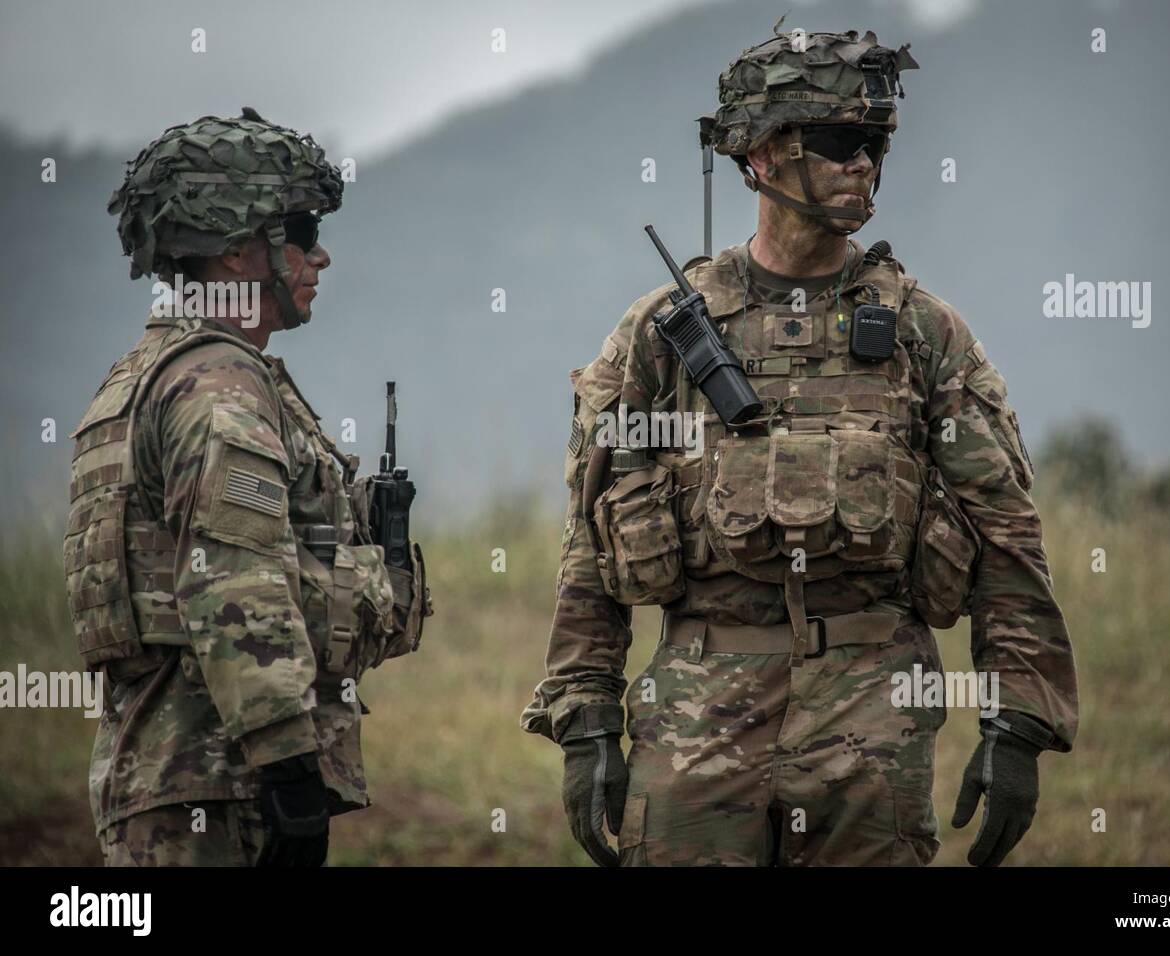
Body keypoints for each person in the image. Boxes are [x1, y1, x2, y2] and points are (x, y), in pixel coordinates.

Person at [522, 29, 1078, 866]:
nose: (864, 165)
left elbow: (1004, 534)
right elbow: (590, 540)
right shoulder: (661, 335)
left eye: (877, 145)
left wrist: (1018, 723)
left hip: (872, 719)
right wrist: (586, 719)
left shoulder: (922, 332)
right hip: (695, 720)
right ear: (767, 155)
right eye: (841, 143)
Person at [66, 108, 431, 866]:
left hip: (170, 778)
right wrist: (289, 773)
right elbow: (235, 586)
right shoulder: (218, 382)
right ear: (236, 254)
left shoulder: (148, 375)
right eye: (298, 232)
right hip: (217, 788)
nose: (319, 257)